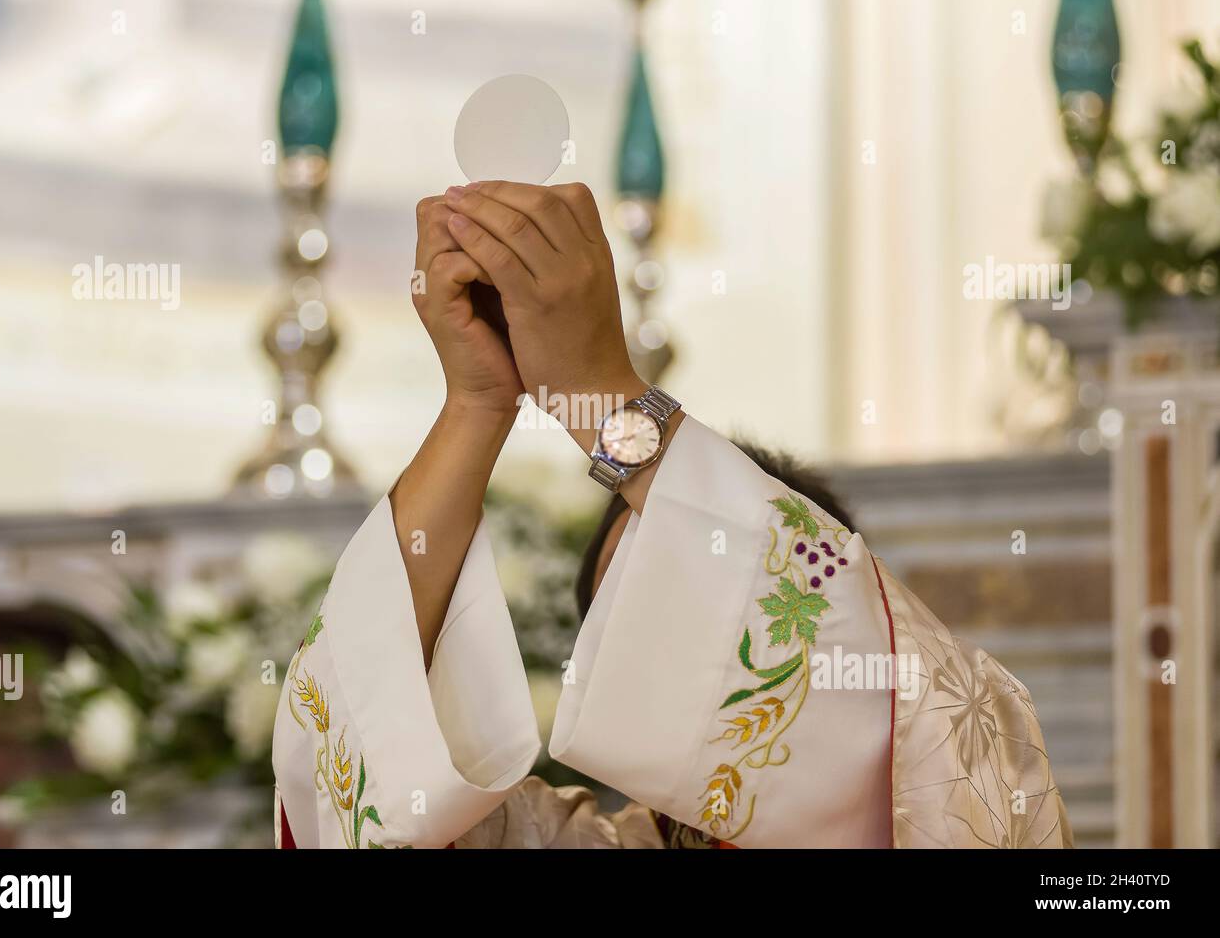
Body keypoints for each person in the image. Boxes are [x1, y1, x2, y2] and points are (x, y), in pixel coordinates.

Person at [271, 181, 1072, 849]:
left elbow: (922, 716)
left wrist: (608, 395)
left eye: (682, 587)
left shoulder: (944, 748)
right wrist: (476, 404)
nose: (658, 632)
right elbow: (369, 766)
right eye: (621, 609)